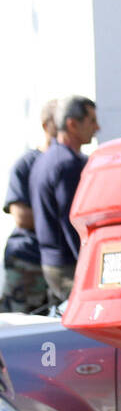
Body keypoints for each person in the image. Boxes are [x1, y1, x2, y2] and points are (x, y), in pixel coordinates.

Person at [30, 95, 99, 302]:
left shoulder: (45, 159)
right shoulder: (67, 165)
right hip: (69, 266)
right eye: (92, 121)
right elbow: (73, 220)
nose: (97, 128)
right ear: (72, 124)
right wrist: (89, 266)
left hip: (52, 263)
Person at [1, 99, 58, 312]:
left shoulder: (76, 163)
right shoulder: (26, 164)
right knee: (18, 326)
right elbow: (22, 217)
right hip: (28, 258)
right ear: (46, 125)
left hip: (62, 262)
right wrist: (59, 220)